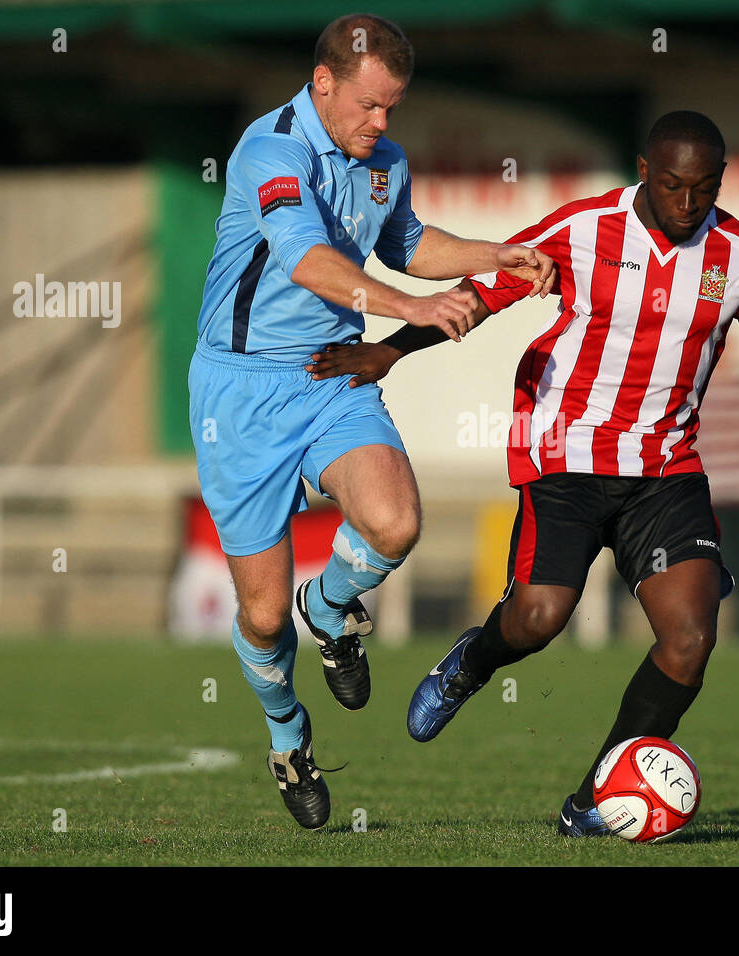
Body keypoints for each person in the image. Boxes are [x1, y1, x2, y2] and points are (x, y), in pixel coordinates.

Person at [307, 111, 739, 834]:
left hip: (665, 469)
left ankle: (596, 799)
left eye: (703, 188)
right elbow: (487, 291)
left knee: (690, 639)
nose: (687, 203)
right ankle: (474, 660)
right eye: (671, 185)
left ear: (720, 182)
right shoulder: (586, 228)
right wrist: (392, 350)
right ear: (642, 170)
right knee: (537, 619)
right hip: (564, 454)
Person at [189, 13, 555, 828]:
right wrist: (410, 309)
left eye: (393, 107)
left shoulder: (382, 161)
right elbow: (307, 261)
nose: (383, 123)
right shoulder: (269, 150)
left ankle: (327, 612)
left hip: (329, 377)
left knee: (394, 524)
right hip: (240, 394)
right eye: (370, 105)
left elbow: (408, 241)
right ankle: (288, 738)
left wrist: (493, 255)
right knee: (255, 614)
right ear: (323, 84)